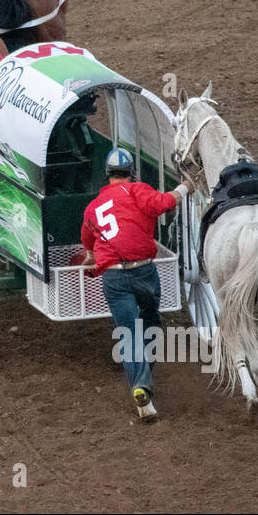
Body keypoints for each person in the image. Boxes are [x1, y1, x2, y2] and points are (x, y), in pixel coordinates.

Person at [81, 147, 192, 421]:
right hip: (143, 271)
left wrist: (91, 255)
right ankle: (143, 382)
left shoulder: (93, 207)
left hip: (113, 277)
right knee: (151, 323)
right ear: (131, 173)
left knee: (129, 333)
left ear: (107, 175)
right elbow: (166, 203)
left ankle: (141, 387)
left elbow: (87, 238)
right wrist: (187, 186)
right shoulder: (138, 190)